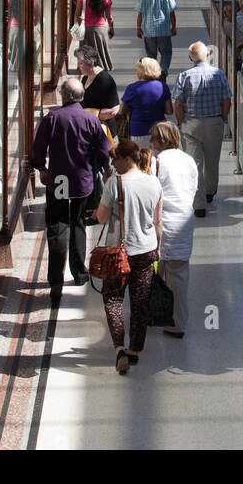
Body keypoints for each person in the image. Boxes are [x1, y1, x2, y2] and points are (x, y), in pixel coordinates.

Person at [32, 77, 112, 304]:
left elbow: (39, 148)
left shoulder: (53, 118)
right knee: (78, 223)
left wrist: (41, 168)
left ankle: (56, 280)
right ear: (81, 97)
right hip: (82, 181)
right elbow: (104, 150)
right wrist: (104, 170)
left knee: (57, 227)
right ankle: (79, 273)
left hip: (59, 181)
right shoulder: (90, 119)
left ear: (64, 96)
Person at [95, 140, 163, 373]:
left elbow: (101, 218)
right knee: (140, 300)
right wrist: (158, 249)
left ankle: (119, 348)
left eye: (115, 159)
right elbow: (157, 221)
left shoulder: (115, 183)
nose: (112, 164)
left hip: (118, 252)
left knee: (113, 298)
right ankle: (135, 349)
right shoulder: (153, 182)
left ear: (127, 159)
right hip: (146, 249)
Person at [148, 121, 198, 338]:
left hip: (164, 221)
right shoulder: (188, 160)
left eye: (153, 138)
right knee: (179, 274)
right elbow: (193, 188)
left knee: (157, 270)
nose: (151, 142)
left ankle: (157, 314)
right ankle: (178, 322)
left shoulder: (156, 161)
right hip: (185, 220)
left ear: (161, 139)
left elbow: (150, 192)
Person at [173, 41, 231, 217]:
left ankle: (199, 204)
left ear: (191, 57)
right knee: (212, 160)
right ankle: (209, 191)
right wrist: (223, 117)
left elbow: (178, 102)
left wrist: (181, 121)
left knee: (194, 163)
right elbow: (227, 99)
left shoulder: (184, 76)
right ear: (207, 56)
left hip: (191, 123)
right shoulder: (219, 74)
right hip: (214, 122)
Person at [119, 57, 173, 147]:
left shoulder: (132, 88)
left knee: (141, 158)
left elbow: (121, 111)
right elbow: (169, 111)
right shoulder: (163, 87)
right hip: (159, 130)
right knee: (158, 159)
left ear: (140, 71)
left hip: (138, 131)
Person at [135, 0, 178, 77]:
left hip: (149, 31)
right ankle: (163, 71)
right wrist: (174, 27)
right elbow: (172, 13)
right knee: (166, 53)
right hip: (164, 31)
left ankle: (153, 73)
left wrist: (138, 28)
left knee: (151, 55)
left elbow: (140, 13)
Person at [76, 44, 120, 140]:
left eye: (81, 63)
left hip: (105, 135)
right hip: (91, 131)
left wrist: (90, 113)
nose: (79, 67)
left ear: (91, 63)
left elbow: (114, 110)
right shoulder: (85, 77)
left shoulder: (105, 80)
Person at [75, 0, 114, 69]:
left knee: (86, 51)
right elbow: (110, 18)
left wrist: (77, 27)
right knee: (100, 51)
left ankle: (86, 68)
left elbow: (77, 15)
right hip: (100, 30)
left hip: (86, 29)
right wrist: (111, 29)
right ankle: (101, 67)